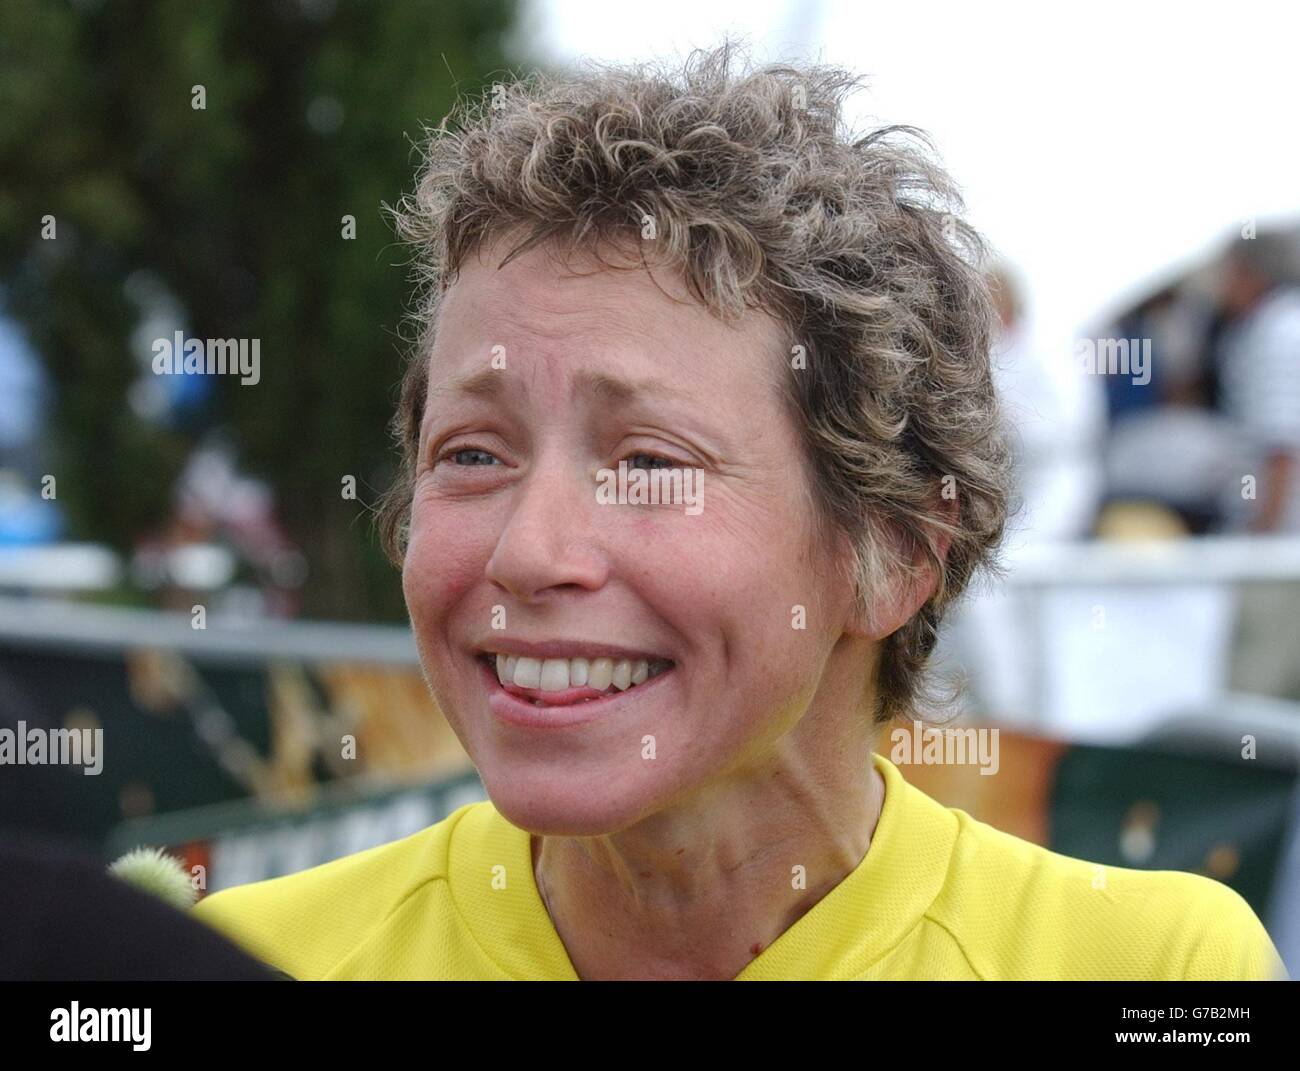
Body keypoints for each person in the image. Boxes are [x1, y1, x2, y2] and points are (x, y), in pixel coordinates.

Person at [192, 43, 1286, 980]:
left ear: (896, 550)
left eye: (648, 462)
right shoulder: (241, 961)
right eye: (471, 454)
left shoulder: (1153, 970)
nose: (527, 552)